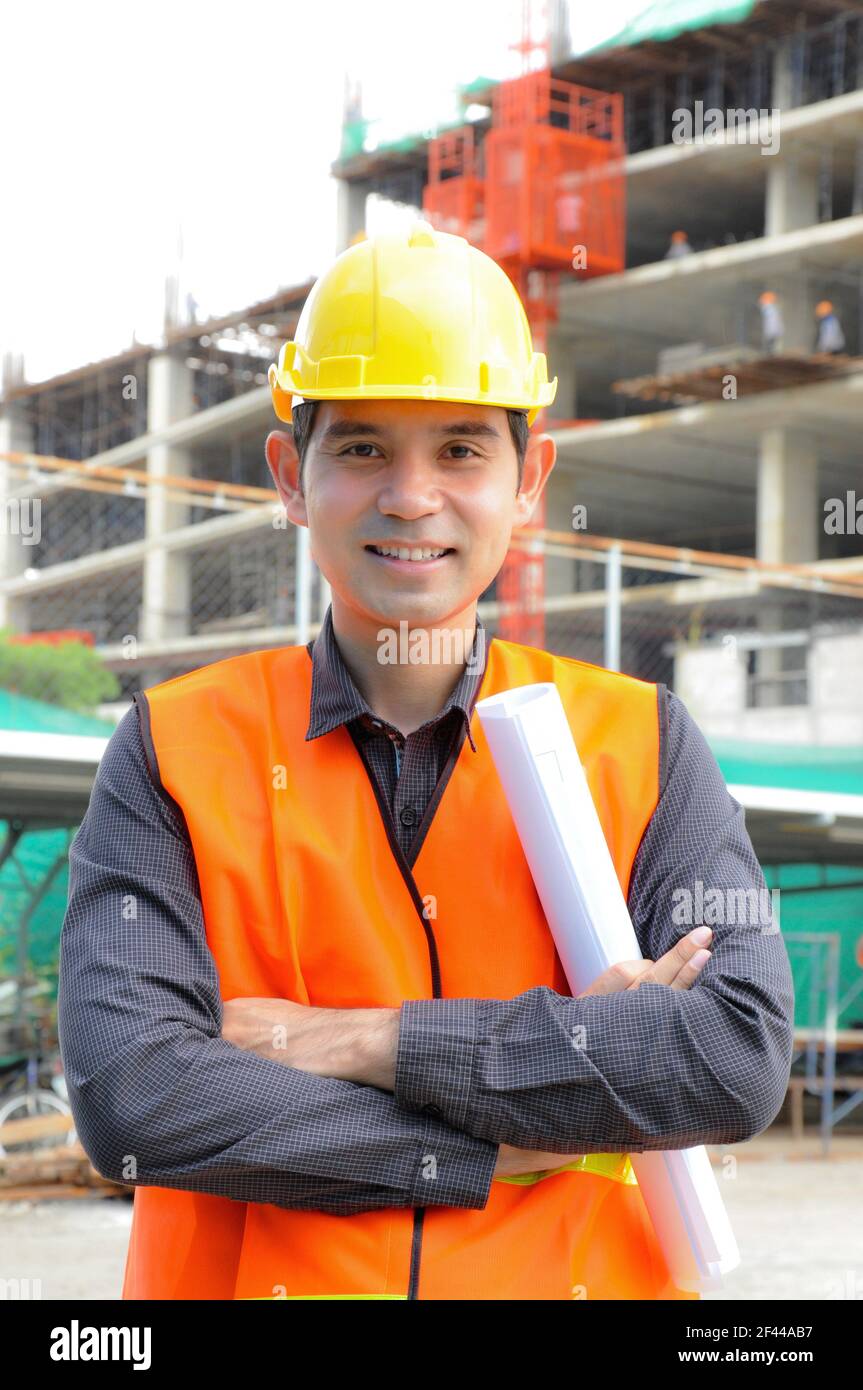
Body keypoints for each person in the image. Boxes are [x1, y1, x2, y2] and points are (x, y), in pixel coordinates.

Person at [58, 221, 794, 1301]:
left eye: (459, 449)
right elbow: (135, 1096)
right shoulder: (173, 748)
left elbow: (730, 1058)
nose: (410, 495)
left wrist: (366, 1041)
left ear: (528, 479)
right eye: (361, 448)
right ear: (290, 476)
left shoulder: (641, 742)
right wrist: (505, 1138)